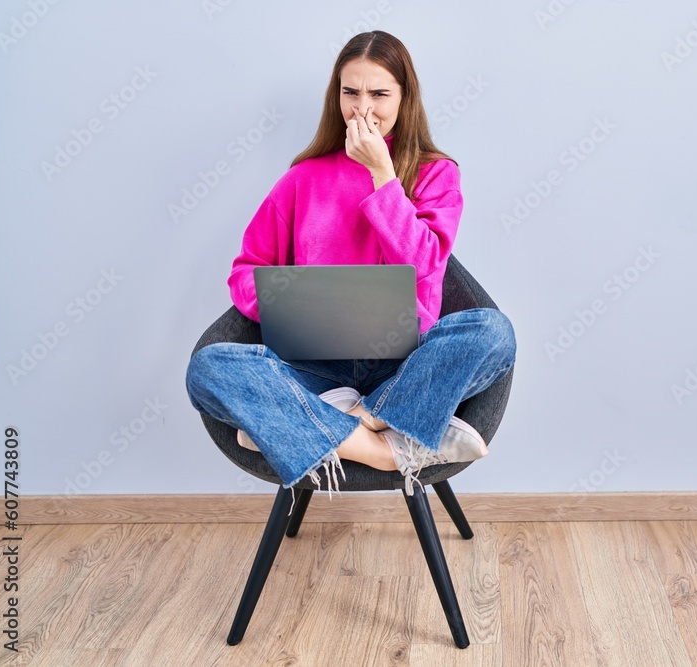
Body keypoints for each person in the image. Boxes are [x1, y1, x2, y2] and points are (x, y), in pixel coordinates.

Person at [186, 31, 516, 497]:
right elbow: (246, 271)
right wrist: (295, 302)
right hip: (315, 366)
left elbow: (424, 263)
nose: (363, 108)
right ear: (336, 96)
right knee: (209, 369)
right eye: (351, 92)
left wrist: (383, 177)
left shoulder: (437, 174)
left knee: (493, 332)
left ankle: (337, 416)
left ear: (405, 99)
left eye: (379, 94)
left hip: (407, 365)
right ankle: (382, 446)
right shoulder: (303, 178)